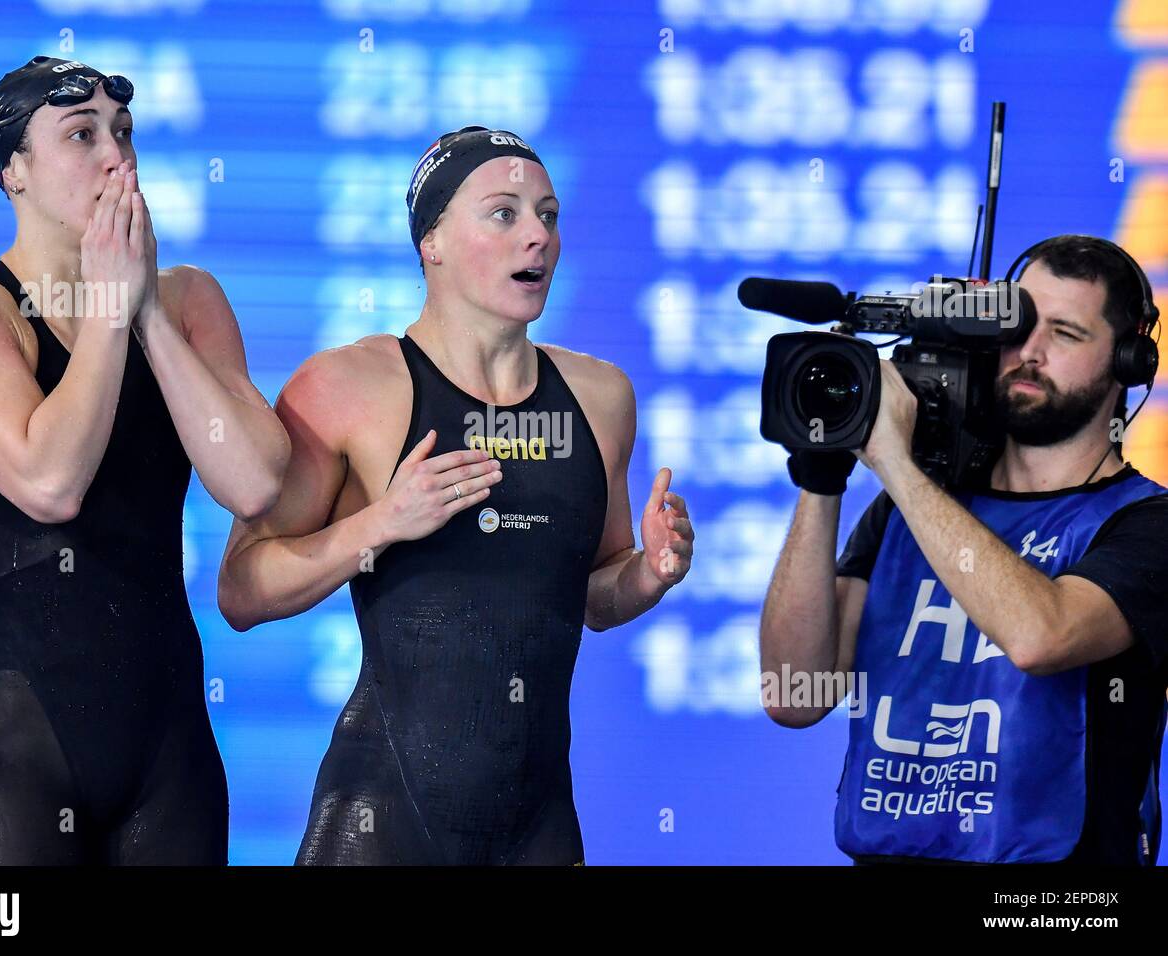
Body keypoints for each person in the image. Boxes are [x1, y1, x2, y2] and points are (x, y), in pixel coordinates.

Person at [218, 126, 695, 865]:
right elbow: (241, 592)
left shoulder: (601, 398)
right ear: (431, 242)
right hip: (381, 815)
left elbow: (594, 599)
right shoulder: (348, 388)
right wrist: (381, 523)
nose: (537, 235)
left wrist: (648, 574)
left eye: (549, 214)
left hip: (537, 826)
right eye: (504, 213)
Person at [0, 56, 290, 864]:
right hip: (19, 743)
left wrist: (146, 309)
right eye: (81, 135)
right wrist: (110, 310)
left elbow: (253, 483)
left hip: (169, 743)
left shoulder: (188, 300)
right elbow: (50, 482)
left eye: (123, 133)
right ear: (14, 171)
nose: (117, 156)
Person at [759, 234, 1168, 865]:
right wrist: (821, 476)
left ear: (1128, 361)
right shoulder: (911, 508)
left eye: (1064, 333)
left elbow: (1041, 636)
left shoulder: (1146, 522)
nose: (1028, 353)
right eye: (1020, 325)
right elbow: (794, 693)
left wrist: (896, 462)